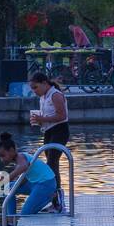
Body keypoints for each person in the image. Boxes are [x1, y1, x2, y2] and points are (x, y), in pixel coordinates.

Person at [28, 72, 70, 211]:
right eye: (32, 88)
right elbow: (48, 116)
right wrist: (39, 121)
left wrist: (43, 119)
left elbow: (62, 115)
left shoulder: (55, 95)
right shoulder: (43, 97)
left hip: (60, 131)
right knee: (51, 164)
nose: (34, 91)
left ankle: (58, 200)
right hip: (49, 131)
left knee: (52, 163)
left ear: (45, 83)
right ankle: (55, 200)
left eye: (35, 87)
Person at [0, 132, 58, 218]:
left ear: (11, 150)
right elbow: (24, 178)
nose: (1, 159)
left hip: (46, 183)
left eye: (3, 156)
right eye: (0, 157)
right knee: (8, 188)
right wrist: (11, 187)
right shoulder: (18, 161)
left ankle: (52, 196)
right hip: (35, 183)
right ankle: (11, 220)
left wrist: (6, 179)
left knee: (25, 214)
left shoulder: (20, 157)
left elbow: (23, 167)